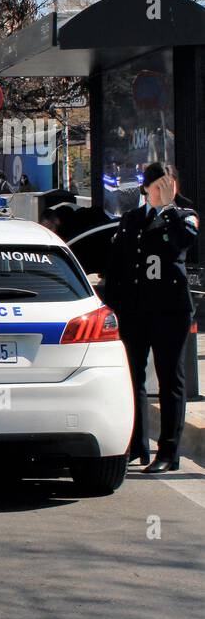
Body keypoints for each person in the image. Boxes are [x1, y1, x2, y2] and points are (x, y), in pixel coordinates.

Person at [104, 162, 198, 474]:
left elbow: (181, 244)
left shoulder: (184, 216)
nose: (160, 191)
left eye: (166, 185)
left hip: (170, 311)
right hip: (134, 309)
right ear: (145, 188)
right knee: (132, 377)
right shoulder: (133, 219)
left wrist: (169, 206)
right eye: (155, 185)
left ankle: (168, 452)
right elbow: (119, 263)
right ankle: (137, 446)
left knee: (171, 379)